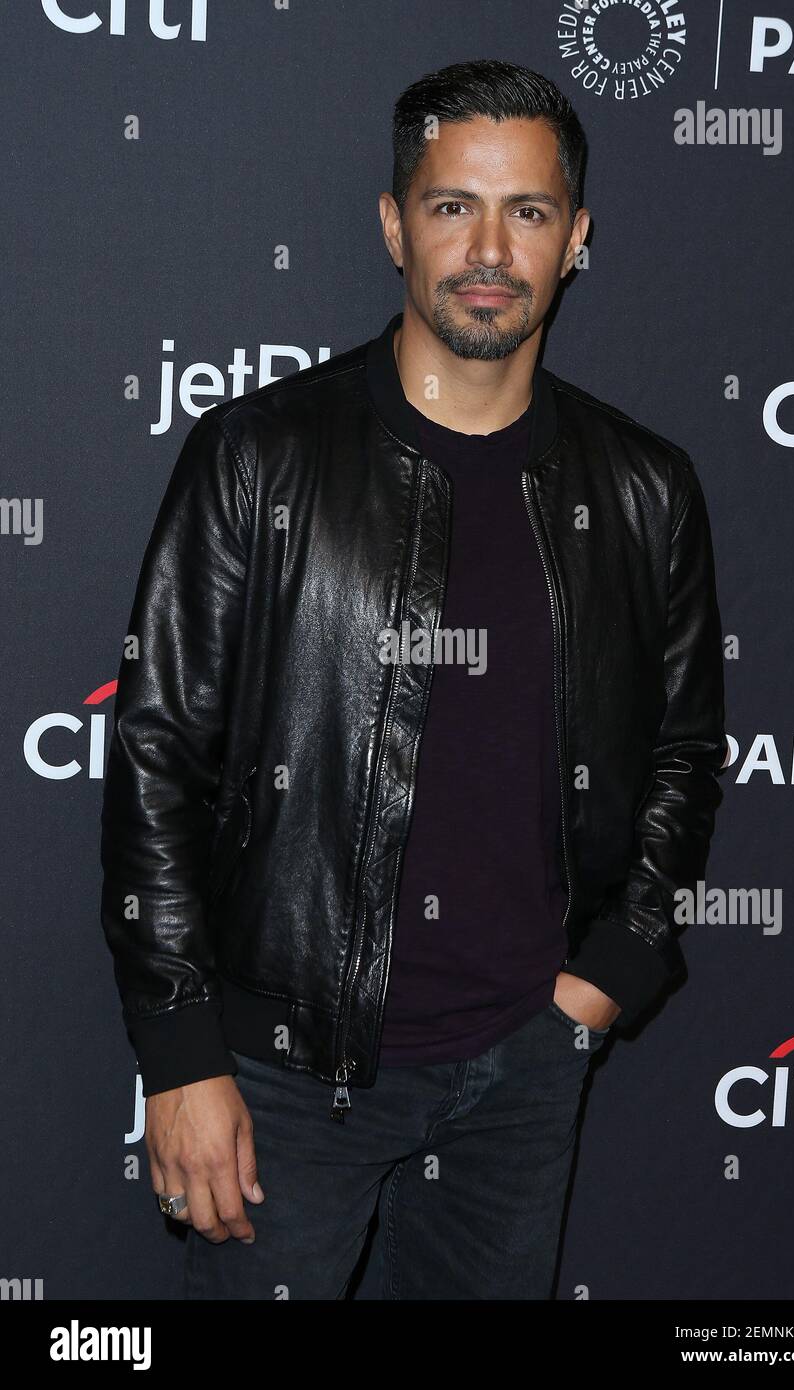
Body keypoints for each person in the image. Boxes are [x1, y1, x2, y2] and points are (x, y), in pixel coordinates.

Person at [100, 58, 727, 1300]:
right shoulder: (258, 460)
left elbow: (682, 751)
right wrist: (179, 1054)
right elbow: (158, 756)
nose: (488, 248)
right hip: (278, 1072)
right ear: (394, 225)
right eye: (452, 206)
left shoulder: (644, 488)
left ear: (576, 239)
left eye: (528, 212)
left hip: (523, 1066)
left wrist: (599, 989)